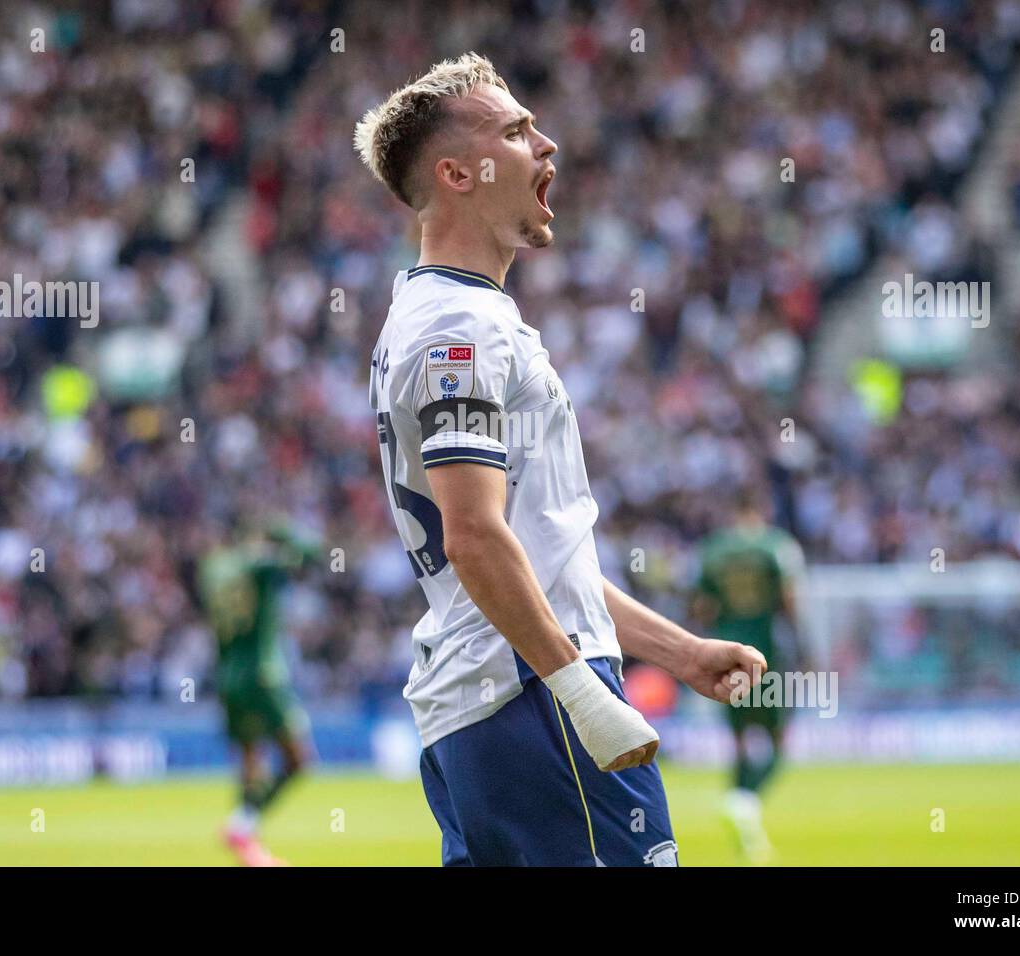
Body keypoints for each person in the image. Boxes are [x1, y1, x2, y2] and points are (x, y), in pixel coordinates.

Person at [356, 52, 767, 866]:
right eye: (515, 131)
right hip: (532, 704)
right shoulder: (459, 330)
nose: (546, 145)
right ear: (458, 173)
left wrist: (679, 653)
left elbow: (537, 558)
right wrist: (582, 693)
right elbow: (475, 538)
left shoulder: (446, 314)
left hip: (500, 699)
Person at [196, 519, 317, 867]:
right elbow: (309, 552)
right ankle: (242, 826)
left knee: (250, 760)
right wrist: (284, 532)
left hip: (228, 675)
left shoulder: (214, 569)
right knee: (299, 760)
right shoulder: (260, 564)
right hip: (263, 676)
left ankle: (248, 842)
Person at [696, 487, 807, 863]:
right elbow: (790, 601)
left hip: (727, 650)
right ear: (760, 510)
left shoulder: (714, 550)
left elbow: (701, 606)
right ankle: (745, 800)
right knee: (778, 739)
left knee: (741, 738)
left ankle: (743, 816)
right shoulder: (777, 546)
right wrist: (806, 649)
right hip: (767, 651)